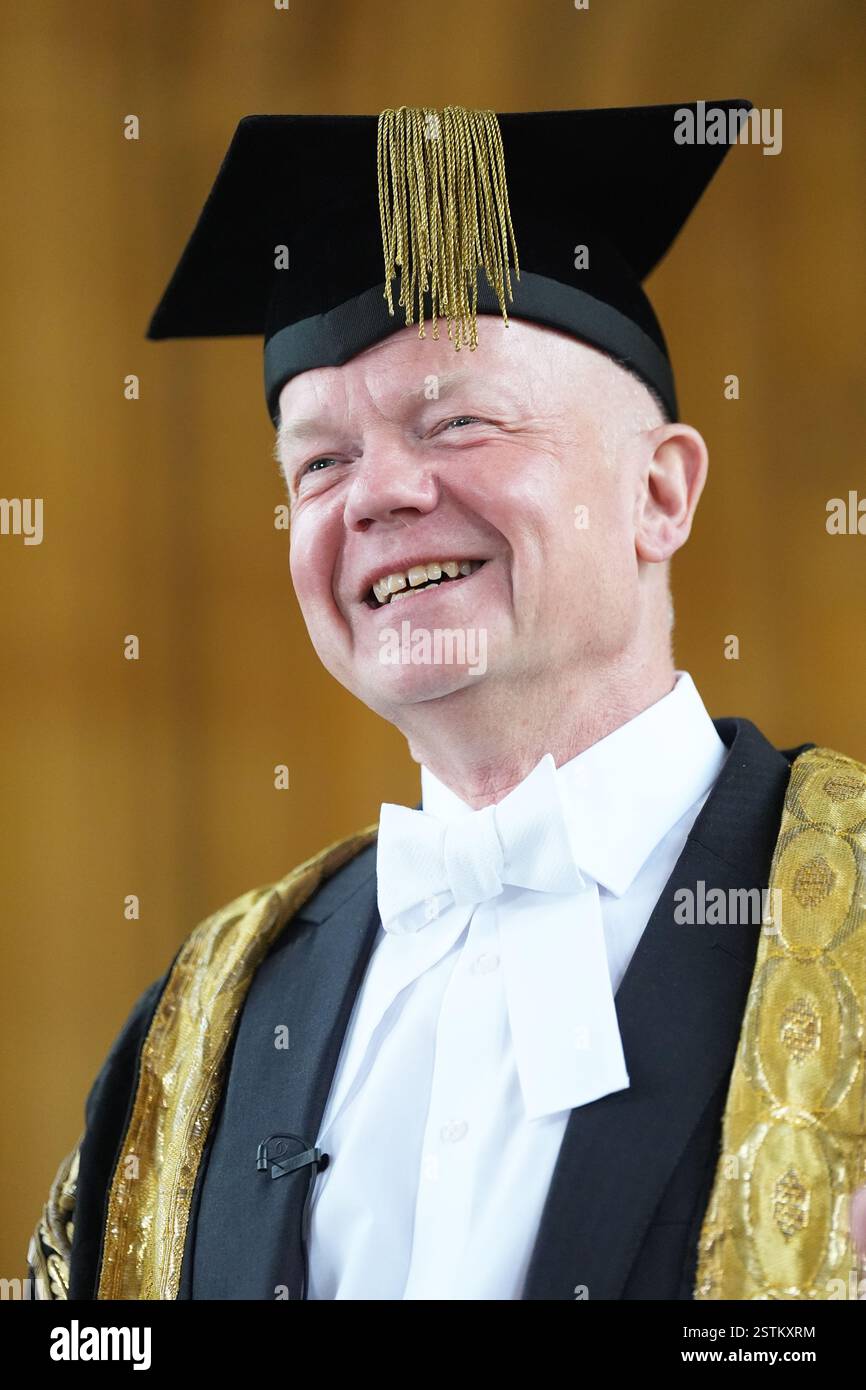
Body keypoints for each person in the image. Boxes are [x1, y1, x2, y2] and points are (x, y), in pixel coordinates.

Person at [29, 100, 866, 1301]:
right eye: (318, 462)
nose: (375, 496)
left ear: (658, 492)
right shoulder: (209, 1012)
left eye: (457, 420)